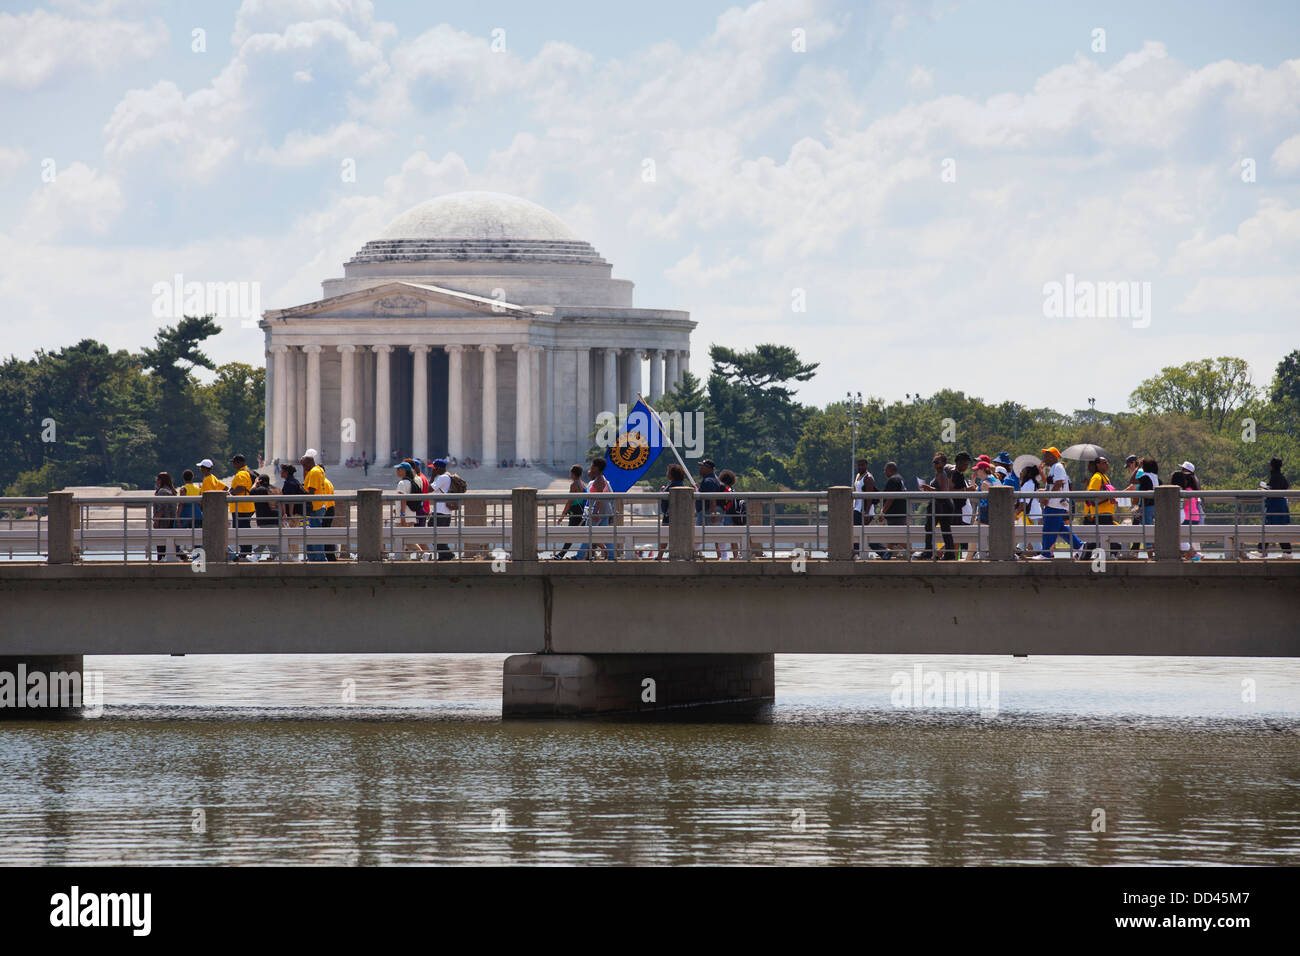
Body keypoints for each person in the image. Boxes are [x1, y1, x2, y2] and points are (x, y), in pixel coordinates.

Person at [1039, 446, 1084, 559]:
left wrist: (1048, 497)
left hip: (1055, 503)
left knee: (1048, 528)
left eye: (1046, 455)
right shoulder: (1054, 467)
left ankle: (1045, 554)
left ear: (1052, 457)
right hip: (1056, 503)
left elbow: (1059, 483)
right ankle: (1080, 546)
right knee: (1061, 529)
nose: (1044, 458)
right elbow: (1051, 484)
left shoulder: (1058, 466)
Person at [574, 458, 615, 560]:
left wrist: (595, 513)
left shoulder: (599, 481)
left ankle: (579, 556)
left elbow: (599, 498)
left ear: (596, 468)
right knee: (605, 536)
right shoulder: (600, 479)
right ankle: (611, 556)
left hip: (597, 512)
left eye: (592, 466)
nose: (590, 468)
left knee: (588, 534)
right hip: (603, 512)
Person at [1080, 456, 1120, 559]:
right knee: (1111, 540)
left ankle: (1084, 555)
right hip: (1101, 514)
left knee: (1098, 541)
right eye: (1104, 462)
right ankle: (1085, 555)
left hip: (1107, 513)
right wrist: (1108, 496)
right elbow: (1091, 496)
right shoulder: (1097, 477)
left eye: (1107, 462)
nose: (1107, 464)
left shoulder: (1104, 477)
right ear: (1097, 465)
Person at [918, 452, 955, 560]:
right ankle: (949, 553)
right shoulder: (940, 474)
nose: (934, 464)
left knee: (930, 528)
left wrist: (927, 487)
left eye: (937, 462)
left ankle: (929, 552)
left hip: (941, 505)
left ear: (943, 463)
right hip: (943, 504)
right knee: (944, 529)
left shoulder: (942, 475)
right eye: (933, 462)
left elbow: (942, 491)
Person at [394, 462, 426, 559]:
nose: (397, 471)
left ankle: (423, 554)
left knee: (405, 540)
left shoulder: (402, 483)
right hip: (411, 514)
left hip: (403, 516)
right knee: (406, 540)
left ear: (404, 471)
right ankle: (402, 558)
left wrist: (402, 515)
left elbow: (403, 499)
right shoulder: (412, 482)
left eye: (399, 469)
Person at [556, 465, 588, 559]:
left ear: (573, 474)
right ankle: (594, 552)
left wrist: (562, 516)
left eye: (571, 472)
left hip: (575, 512)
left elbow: (570, 501)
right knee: (587, 532)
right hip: (581, 511)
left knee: (571, 533)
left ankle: (561, 555)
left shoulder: (574, 485)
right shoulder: (582, 483)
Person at [1262, 456, 1292, 556]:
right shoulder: (1281, 477)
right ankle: (1287, 552)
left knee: (1269, 528)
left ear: (1272, 466)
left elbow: (1272, 490)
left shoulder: (1274, 477)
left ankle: (1261, 550)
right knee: (1279, 529)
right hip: (1281, 506)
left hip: (1275, 506)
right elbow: (1284, 486)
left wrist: (1264, 490)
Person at [877, 461, 906, 558]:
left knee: (896, 535)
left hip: (895, 513)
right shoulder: (900, 479)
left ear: (890, 470)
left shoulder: (893, 480)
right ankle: (888, 554)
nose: (884, 472)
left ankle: (911, 552)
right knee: (893, 534)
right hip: (901, 512)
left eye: (885, 470)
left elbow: (890, 498)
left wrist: (882, 512)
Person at [429, 458, 456, 561]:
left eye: (434, 468)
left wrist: (432, 476)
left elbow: (428, 489)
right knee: (439, 536)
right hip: (445, 511)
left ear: (438, 468)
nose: (433, 470)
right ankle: (444, 555)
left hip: (440, 511)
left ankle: (447, 554)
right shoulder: (446, 477)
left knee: (432, 533)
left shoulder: (442, 478)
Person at [229, 454, 255, 558]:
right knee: (243, 529)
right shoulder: (246, 472)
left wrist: (231, 493)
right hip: (245, 506)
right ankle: (245, 552)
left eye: (234, 462)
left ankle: (245, 553)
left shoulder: (241, 474)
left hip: (241, 507)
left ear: (239, 463)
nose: (233, 465)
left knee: (241, 530)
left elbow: (240, 488)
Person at [249, 472, 279, 558]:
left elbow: (251, 492)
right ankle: (271, 556)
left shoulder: (261, 490)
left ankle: (258, 555)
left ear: (260, 481)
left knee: (266, 538)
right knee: (269, 539)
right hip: (276, 518)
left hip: (264, 519)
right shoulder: (276, 489)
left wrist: (255, 483)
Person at [152, 471, 179, 562]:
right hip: (171, 522)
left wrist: (156, 521)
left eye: (157, 479)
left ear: (161, 480)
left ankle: (160, 562)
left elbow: (161, 509)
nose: (156, 481)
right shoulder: (171, 491)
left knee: (161, 545)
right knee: (170, 545)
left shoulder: (162, 492)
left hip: (163, 522)